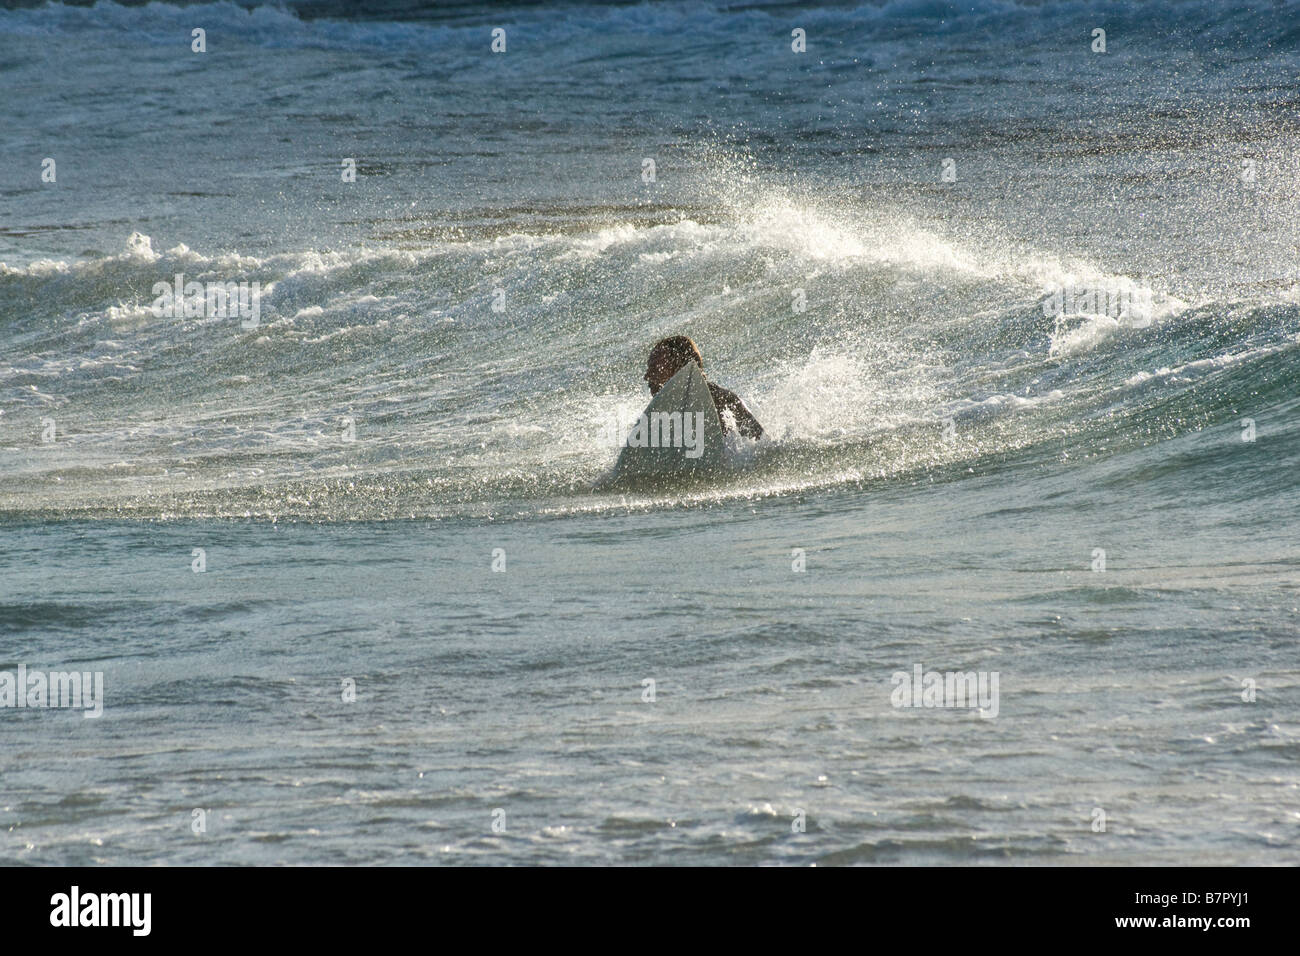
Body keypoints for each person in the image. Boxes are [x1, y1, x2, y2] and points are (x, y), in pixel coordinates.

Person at [642, 336, 764, 439]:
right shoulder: (665, 412)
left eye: (655, 369)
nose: (647, 376)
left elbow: (761, 447)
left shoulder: (722, 400)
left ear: (681, 368)